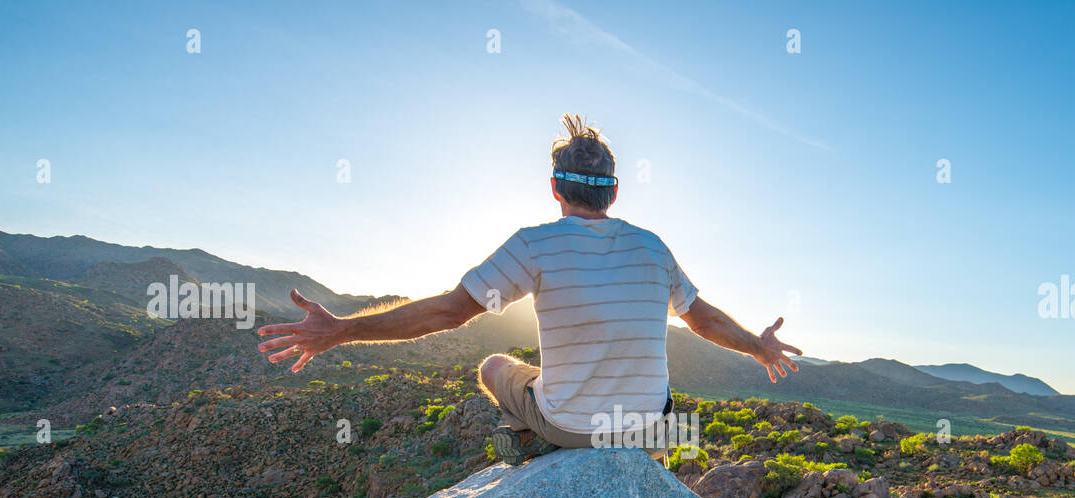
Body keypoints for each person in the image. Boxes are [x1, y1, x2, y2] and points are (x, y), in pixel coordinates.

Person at [257, 114, 801, 465]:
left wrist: (343, 331)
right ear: (614, 191)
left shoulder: (535, 245)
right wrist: (759, 345)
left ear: (554, 188)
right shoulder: (653, 248)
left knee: (494, 365)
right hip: (649, 430)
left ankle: (532, 438)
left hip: (574, 432)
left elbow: (448, 314)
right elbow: (702, 319)